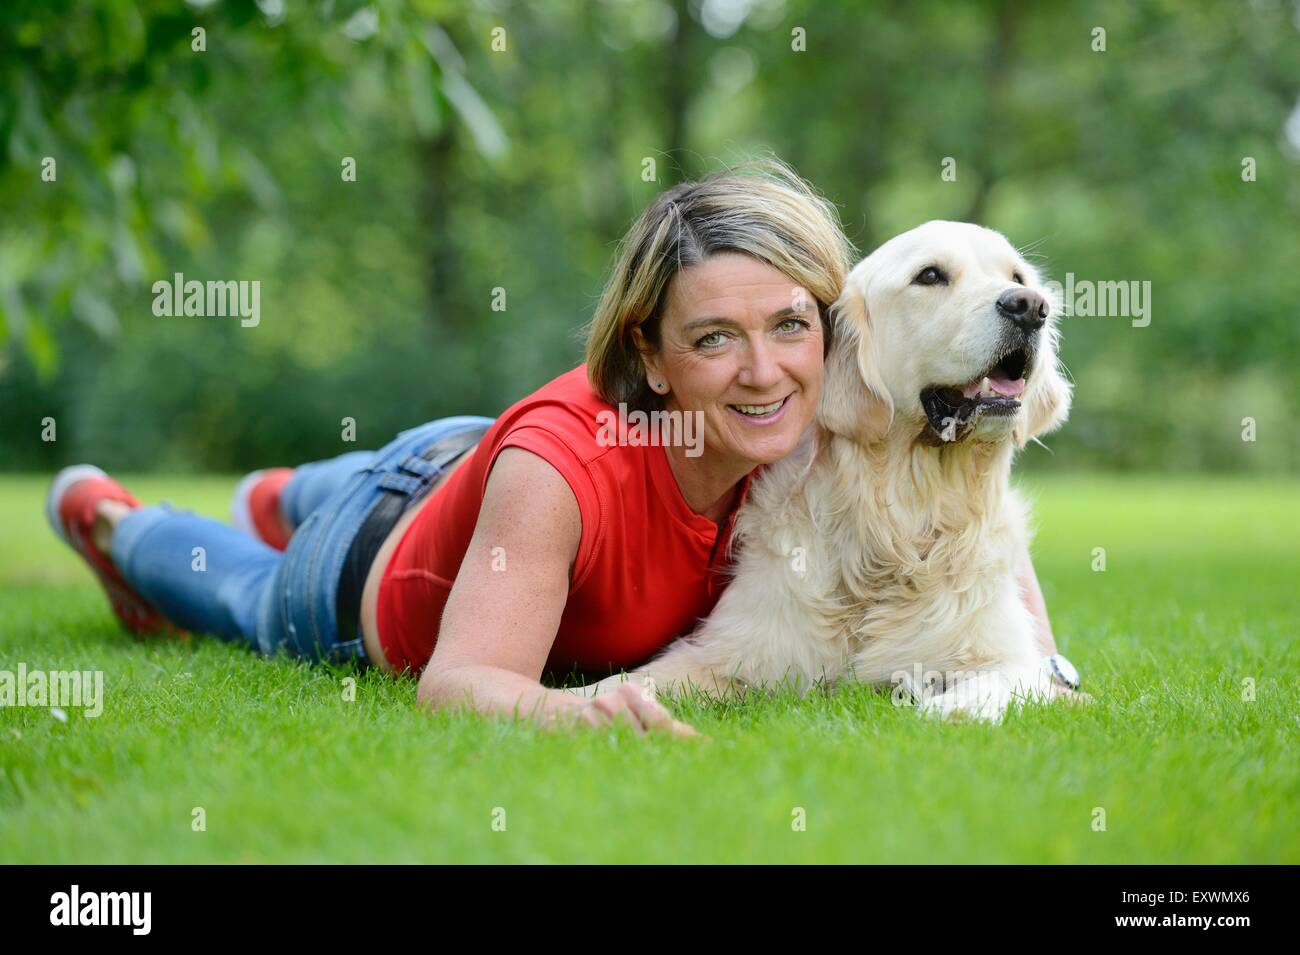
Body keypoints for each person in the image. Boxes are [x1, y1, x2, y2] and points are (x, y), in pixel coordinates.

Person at [47, 159, 1064, 738]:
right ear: (649, 355)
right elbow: (460, 683)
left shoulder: (822, 426)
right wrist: (582, 716)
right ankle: (118, 523)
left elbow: (960, 500)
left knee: (418, 468)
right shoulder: (568, 466)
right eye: (714, 339)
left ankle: (288, 490)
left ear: (831, 338)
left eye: (790, 326)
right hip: (382, 557)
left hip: (465, 452)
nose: (764, 371)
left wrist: (1039, 657)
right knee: (242, 595)